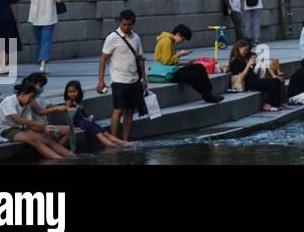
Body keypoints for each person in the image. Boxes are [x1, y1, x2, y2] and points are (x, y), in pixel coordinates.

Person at [96, 9, 147, 141]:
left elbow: (140, 59)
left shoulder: (136, 38)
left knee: (129, 111)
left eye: (129, 25)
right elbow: (103, 58)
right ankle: (114, 138)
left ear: (133, 24)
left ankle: (125, 138)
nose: (126, 27)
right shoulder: (112, 38)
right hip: (118, 80)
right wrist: (100, 80)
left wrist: (144, 79)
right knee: (118, 109)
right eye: (124, 24)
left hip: (134, 79)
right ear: (120, 22)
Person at [0, 81, 74, 160]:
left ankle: (72, 156)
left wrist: (44, 129)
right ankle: (60, 159)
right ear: (23, 94)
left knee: (46, 139)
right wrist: (42, 126)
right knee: (35, 140)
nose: (32, 100)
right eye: (31, 97)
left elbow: (28, 123)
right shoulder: (9, 101)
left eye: (33, 97)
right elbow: (17, 119)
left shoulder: (27, 104)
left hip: (20, 128)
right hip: (6, 129)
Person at [154, 24, 223, 103]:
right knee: (192, 76)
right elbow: (167, 62)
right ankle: (207, 96)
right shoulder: (167, 41)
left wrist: (187, 63)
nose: (182, 42)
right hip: (165, 74)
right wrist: (180, 54)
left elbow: (170, 61)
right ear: (178, 34)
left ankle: (209, 92)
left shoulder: (170, 41)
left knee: (199, 67)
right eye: (183, 39)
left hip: (170, 70)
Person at [62, 80, 134, 149]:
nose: (72, 94)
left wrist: (88, 118)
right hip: (78, 124)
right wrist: (73, 126)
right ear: (67, 93)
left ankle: (122, 142)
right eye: (70, 92)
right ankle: (112, 145)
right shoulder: (69, 102)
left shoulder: (78, 101)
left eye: (74, 92)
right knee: (98, 133)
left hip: (84, 122)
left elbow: (82, 115)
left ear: (79, 91)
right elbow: (69, 116)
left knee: (104, 132)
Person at [24, 0, 64, 73]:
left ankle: (39, 61)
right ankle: (43, 64)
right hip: (49, 17)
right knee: (46, 41)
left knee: (38, 41)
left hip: (35, 17)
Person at [20, 72, 75, 145]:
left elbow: (49, 106)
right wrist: (57, 109)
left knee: (70, 130)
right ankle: (58, 147)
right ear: (32, 84)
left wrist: (66, 108)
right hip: (38, 128)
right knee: (67, 131)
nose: (41, 88)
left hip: (45, 126)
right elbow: (40, 111)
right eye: (40, 85)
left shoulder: (39, 97)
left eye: (42, 86)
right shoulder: (30, 98)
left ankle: (58, 146)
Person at [228, 40, 283, 112]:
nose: (246, 52)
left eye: (247, 50)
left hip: (253, 80)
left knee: (276, 81)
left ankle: (275, 104)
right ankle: (267, 104)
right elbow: (241, 77)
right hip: (247, 83)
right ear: (238, 48)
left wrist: (254, 64)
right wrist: (248, 65)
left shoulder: (242, 59)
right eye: (244, 50)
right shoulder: (235, 61)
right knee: (274, 82)